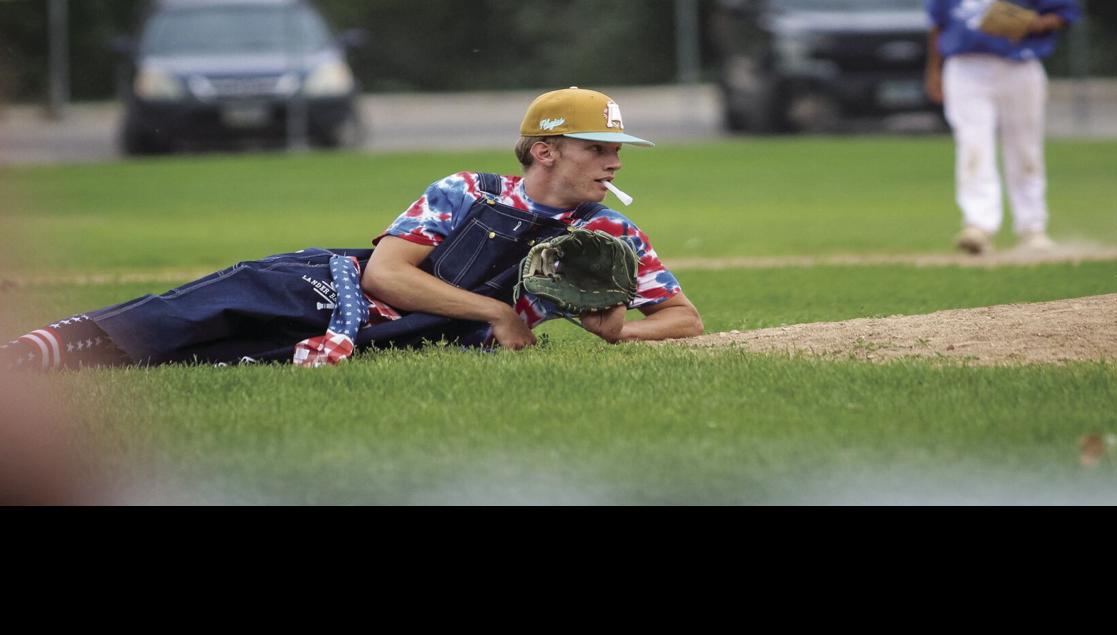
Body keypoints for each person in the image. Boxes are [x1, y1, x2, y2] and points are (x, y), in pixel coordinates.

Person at [1, 87, 701, 371]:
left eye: (616, 151)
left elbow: (682, 318)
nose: (612, 161)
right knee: (224, 301)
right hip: (348, 288)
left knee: (234, 351)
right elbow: (385, 274)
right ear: (545, 150)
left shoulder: (610, 231)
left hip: (425, 333)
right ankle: (42, 351)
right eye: (597, 148)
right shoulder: (467, 190)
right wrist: (499, 312)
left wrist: (618, 329)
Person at [923, 0, 1081, 255]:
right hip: (964, 66)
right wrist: (933, 70)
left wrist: (1038, 22)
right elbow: (937, 24)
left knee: (1025, 148)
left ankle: (1032, 228)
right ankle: (979, 225)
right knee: (972, 144)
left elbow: (1066, 12)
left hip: (1019, 62)